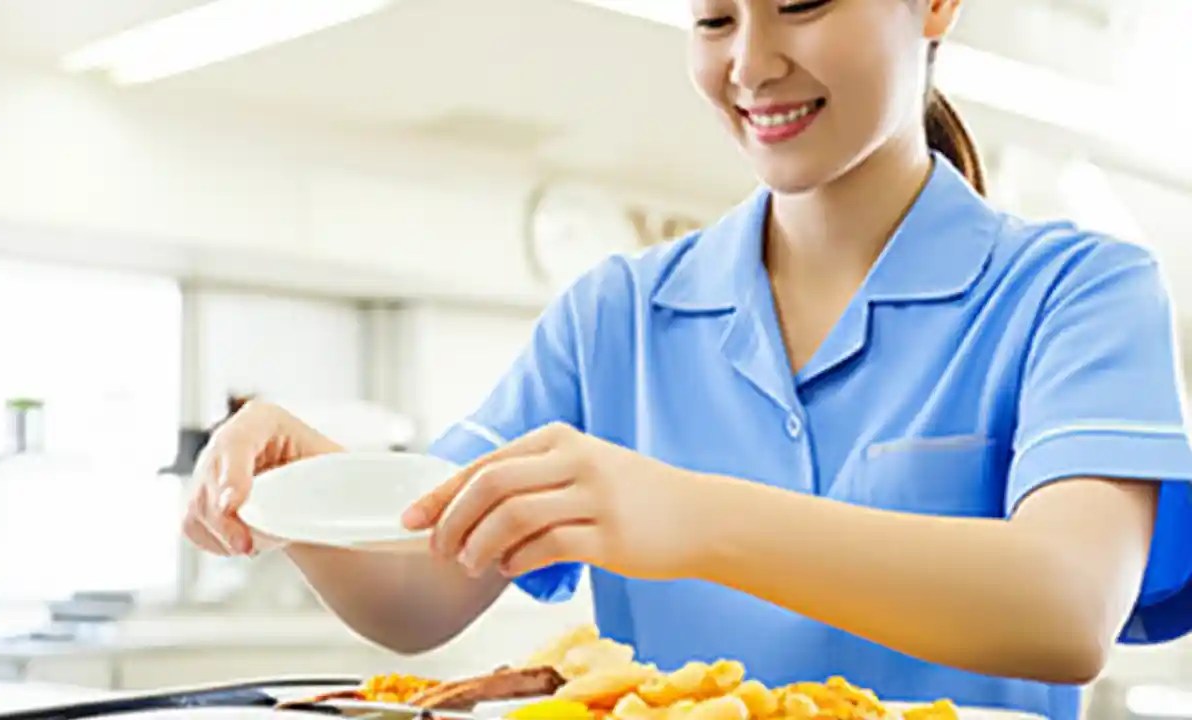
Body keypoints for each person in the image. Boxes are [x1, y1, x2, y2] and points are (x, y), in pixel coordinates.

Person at [182, 1, 1192, 718]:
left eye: (799, 4)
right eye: (713, 19)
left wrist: (687, 516)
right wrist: (308, 498)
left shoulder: (1074, 290)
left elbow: (1064, 608)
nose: (750, 64)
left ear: (935, 5)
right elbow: (422, 597)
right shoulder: (613, 316)